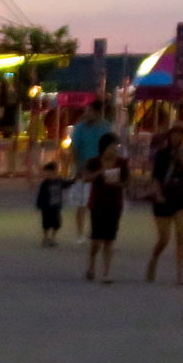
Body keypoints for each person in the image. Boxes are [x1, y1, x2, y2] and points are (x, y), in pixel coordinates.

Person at [146, 122, 183, 285]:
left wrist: (181, 156)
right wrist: (158, 194)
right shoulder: (162, 154)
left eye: (181, 135)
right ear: (169, 136)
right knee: (164, 238)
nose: (177, 137)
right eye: (175, 134)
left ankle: (180, 273)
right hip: (163, 197)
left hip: (181, 197)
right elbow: (155, 177)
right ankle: (154, 258)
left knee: (181, 236)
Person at [68, 104, 114, 242]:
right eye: (86, 111)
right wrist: (77, 167)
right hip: (84, 168)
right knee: (82, 202)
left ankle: (97, 231)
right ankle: (80, 233)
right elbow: (74, 149)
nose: (86, 114)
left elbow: (111, 147)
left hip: (102, 167)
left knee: (101, 202)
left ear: (98, 113)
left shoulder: (106, 127)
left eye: (90, 111)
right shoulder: (80, 128)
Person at [84, 138, 128, 283]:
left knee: (109, 239)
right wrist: (100, 172)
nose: (114, 151)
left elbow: (127, 182)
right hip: (97, 203)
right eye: (111, 148)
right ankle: (92, 263)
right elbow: (86, 178)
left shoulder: (122, 163)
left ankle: (106, 272)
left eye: (116, 148)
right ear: (103, 148)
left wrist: (117, 183)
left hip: (114, 204)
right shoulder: (94, 162)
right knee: (96, 240)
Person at [35, 162, 68, 248]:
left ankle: (53, 238)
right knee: (46, 223)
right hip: (46, 207)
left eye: (47, 172)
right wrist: (39, 204)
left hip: (56, 206)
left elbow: (66, 184)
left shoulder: (59, 180)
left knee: (57, 223)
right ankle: (45, 238)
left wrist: (75, 180)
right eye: (46, 172)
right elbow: (41, 194)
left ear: (54, 171)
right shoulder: (45, 183)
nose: (46, 174)